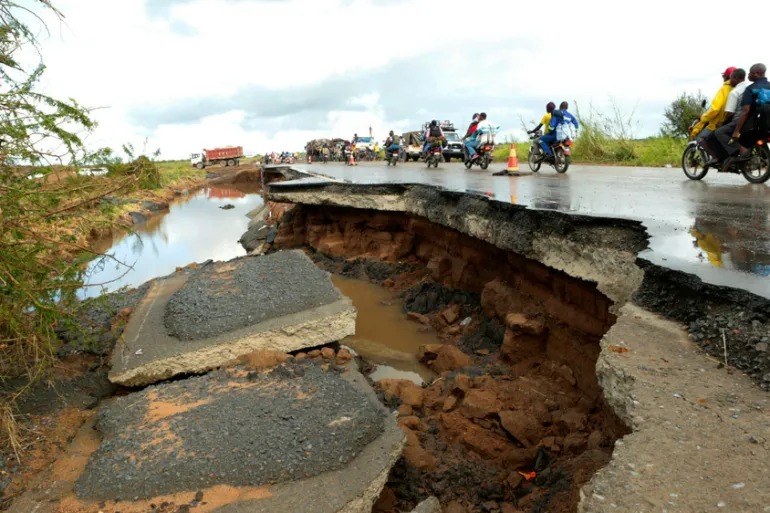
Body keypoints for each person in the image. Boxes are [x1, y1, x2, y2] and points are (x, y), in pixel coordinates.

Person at [702, 69, 748, 166]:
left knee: (718, 132)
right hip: (749, 121)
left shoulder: (734, 92)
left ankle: (734, 152)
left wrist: (722, 122)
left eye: (730, 79)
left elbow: (729, 113)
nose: (729, 81)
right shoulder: (748, 87)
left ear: (736, 78)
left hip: (737, 120)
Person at [729, 63, 770, 162]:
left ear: (757, 73)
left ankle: (742, 159)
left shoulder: (750, 89)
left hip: (755, 125)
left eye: (750, 73)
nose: (748, 75)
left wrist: (736, 131)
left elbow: (745, 111)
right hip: (768, 126)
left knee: (736, 139)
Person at [690, 66, 736, 143]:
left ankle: (709, 155)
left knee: (700, 139)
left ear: (727, 77)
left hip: (718, 123)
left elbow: (715, 109)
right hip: (733, 122)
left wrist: (703, 117)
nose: (723, 78)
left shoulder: (723, 89)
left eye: (724, 76)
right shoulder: (739, 89)